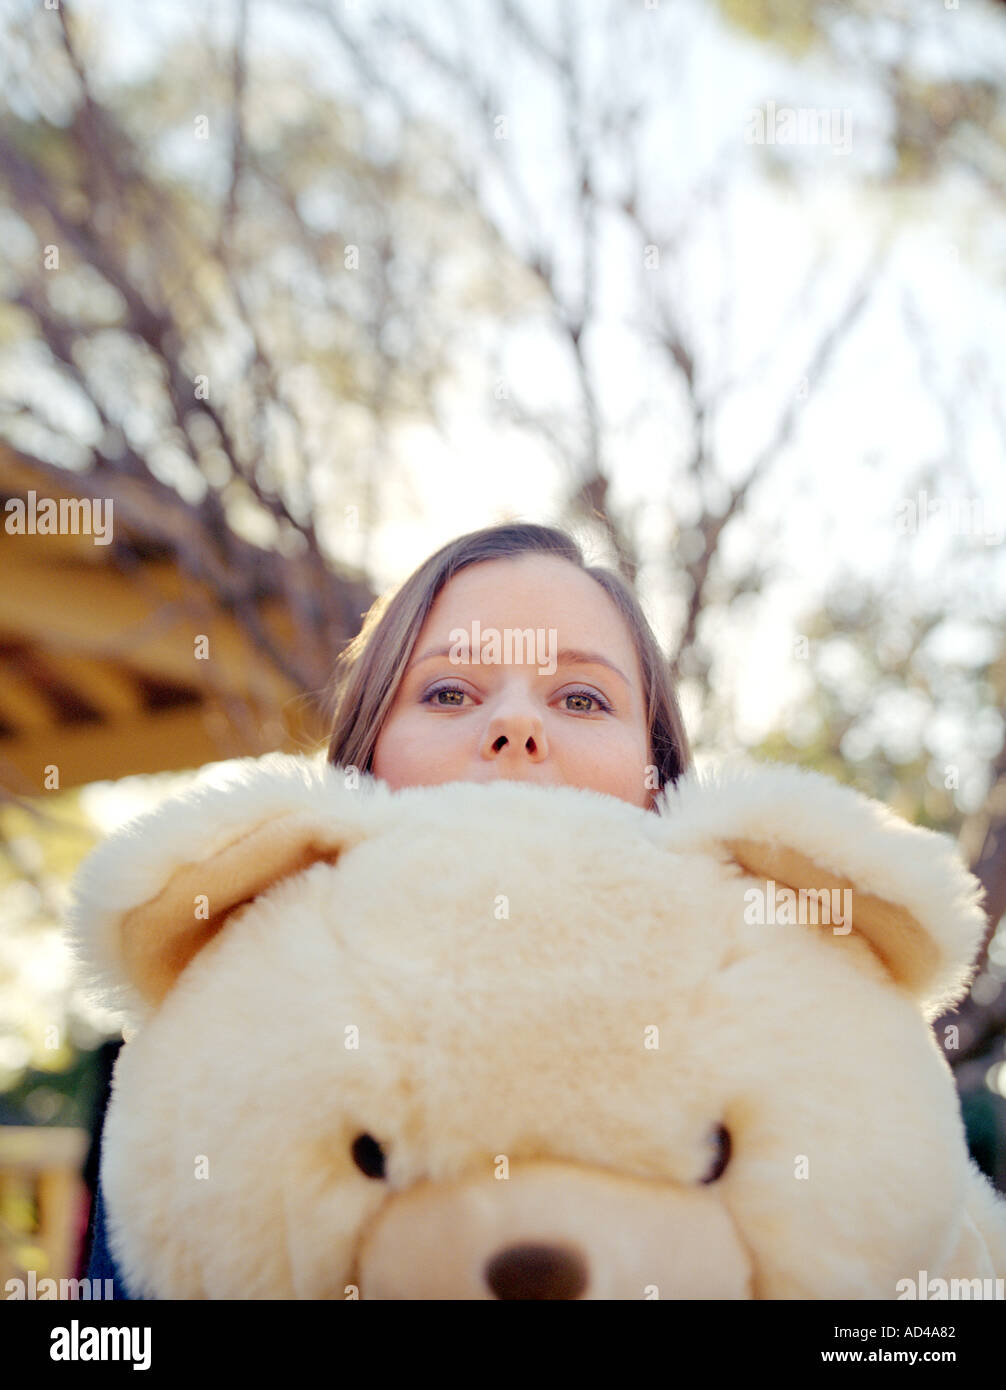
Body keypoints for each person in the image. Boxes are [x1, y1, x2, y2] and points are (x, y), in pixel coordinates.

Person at [85, 520, 692, 1296]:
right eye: (448, 691)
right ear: (366, 762)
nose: (517, 727)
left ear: (657, 777)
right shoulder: (208, 1060)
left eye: (581, 696)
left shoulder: (780, 1030)